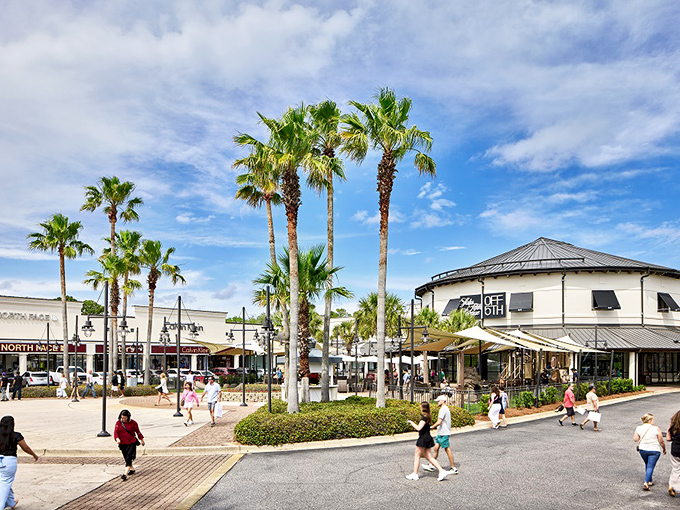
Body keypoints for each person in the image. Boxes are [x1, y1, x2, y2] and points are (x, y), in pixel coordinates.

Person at [0, 415, 39, 509]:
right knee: (5, 483)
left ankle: (11, 503)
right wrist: (34, 455)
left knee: (4, 482)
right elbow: (25, 447)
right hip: (9, 461)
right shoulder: (16, 435)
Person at [405, 402, 450, 482]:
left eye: (420, 406)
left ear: (423, 408)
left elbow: (419, 428)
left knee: (417, 456)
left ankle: (415, 474)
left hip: (423, 439)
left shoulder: (424, 418)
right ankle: (441, 471)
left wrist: (411, 423)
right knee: (428, 456)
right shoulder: (428, 416)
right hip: (428, 438)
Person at [423, 395, 458, 474]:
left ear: (443, 401)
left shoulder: (443, 409)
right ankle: (431, 465)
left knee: (447, 449)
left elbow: (439, 421)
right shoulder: (445, 409)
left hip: (443, 433)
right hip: (441, 432)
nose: (437, 402)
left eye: (438, 401)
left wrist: (431, 427)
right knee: (436, 448)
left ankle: (453, 468)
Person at [634, 413, 666, 491]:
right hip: (654, 450)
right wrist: (664, 449)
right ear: (650, 420)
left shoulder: (639, 428)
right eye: (653, 419)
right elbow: (661, 441)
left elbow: (635, 439)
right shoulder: (656, 429)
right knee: (650, 466)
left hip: (643, 450)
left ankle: (650, 481)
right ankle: (646, 482)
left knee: (648, 465)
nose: (654, 420)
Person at [114, 409, 145, 481]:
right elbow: (116, 432)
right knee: (126, 458)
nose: (123, 419)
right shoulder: (118, 423)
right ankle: (132, 469)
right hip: (122, 443)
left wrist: (142, 440)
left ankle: (125, 474)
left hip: (131, 442)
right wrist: (117, 438)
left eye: (125, 418)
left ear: (128, 417)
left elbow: (138, 432)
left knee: (128, 457)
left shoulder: (133, 423)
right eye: (122, 418)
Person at [666, 410, 680, 498]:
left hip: (675, 451)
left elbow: (668, 439)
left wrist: (669, 429)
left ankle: (672, 485)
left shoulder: (674, 427)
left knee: (676, 469)